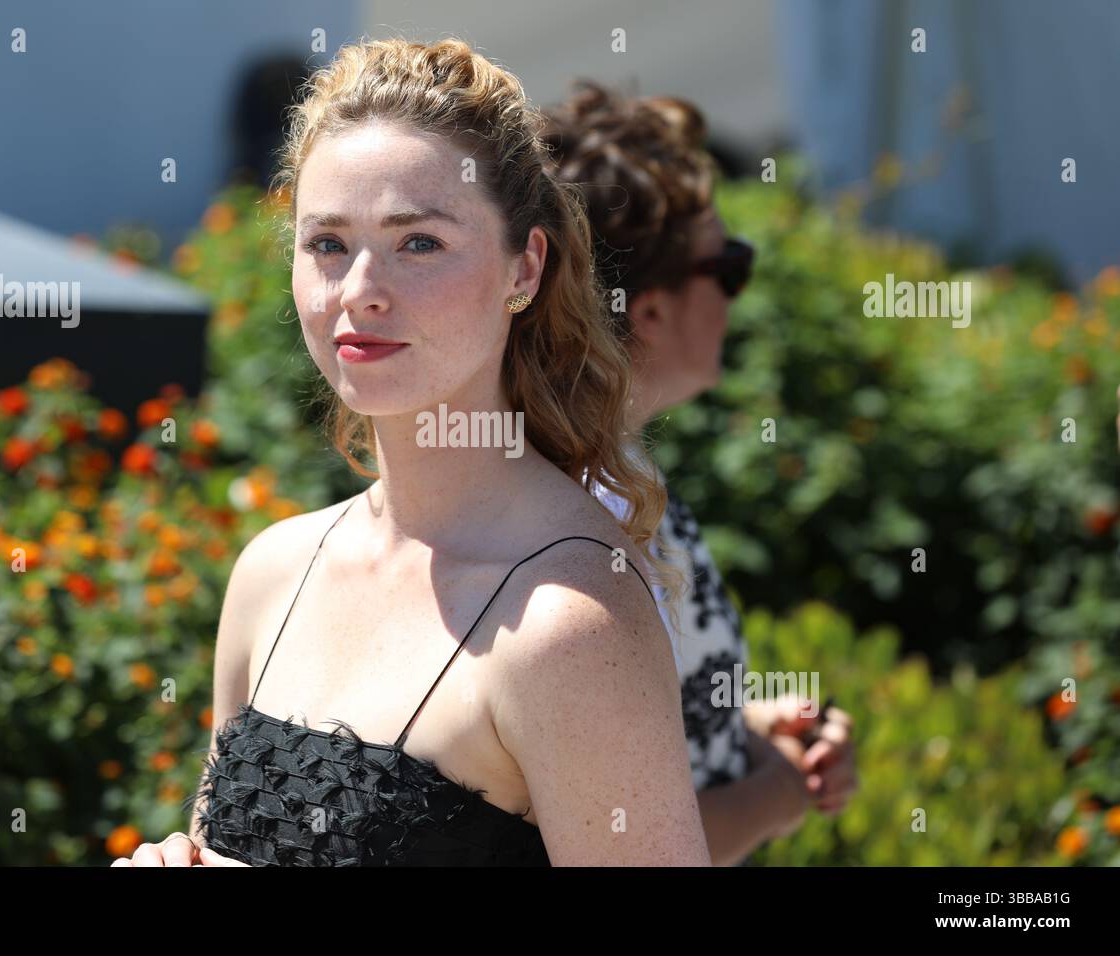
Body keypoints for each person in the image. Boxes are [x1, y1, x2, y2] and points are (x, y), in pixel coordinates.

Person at [114, 38, 711, 867]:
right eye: (327, 244)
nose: (360, 289)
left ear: (524, 269)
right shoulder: (272, 573)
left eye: (419, 242)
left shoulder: (568, 621)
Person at [542, 82, 859, 865]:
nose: (738, 290)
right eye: (730, 264)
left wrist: (744, 726)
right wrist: (781, 790)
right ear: (651, 310)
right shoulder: (583, 521)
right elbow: (615, 846)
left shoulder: (613, 470)